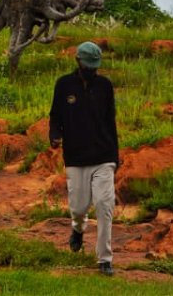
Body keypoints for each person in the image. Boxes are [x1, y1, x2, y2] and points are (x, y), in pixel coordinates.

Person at [49, 41, 119, 277]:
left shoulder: (105, 86)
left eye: (94, 66)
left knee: (104, 206)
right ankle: (78, 229)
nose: (91, 70)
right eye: (88, 65)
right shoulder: (64, 85)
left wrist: (115, 158)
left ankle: (105, 259)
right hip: (76, 156)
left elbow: (111, 121)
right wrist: (55, 135)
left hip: (103, 156)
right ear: (78, 61)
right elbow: (55, 116)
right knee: (79, 208)